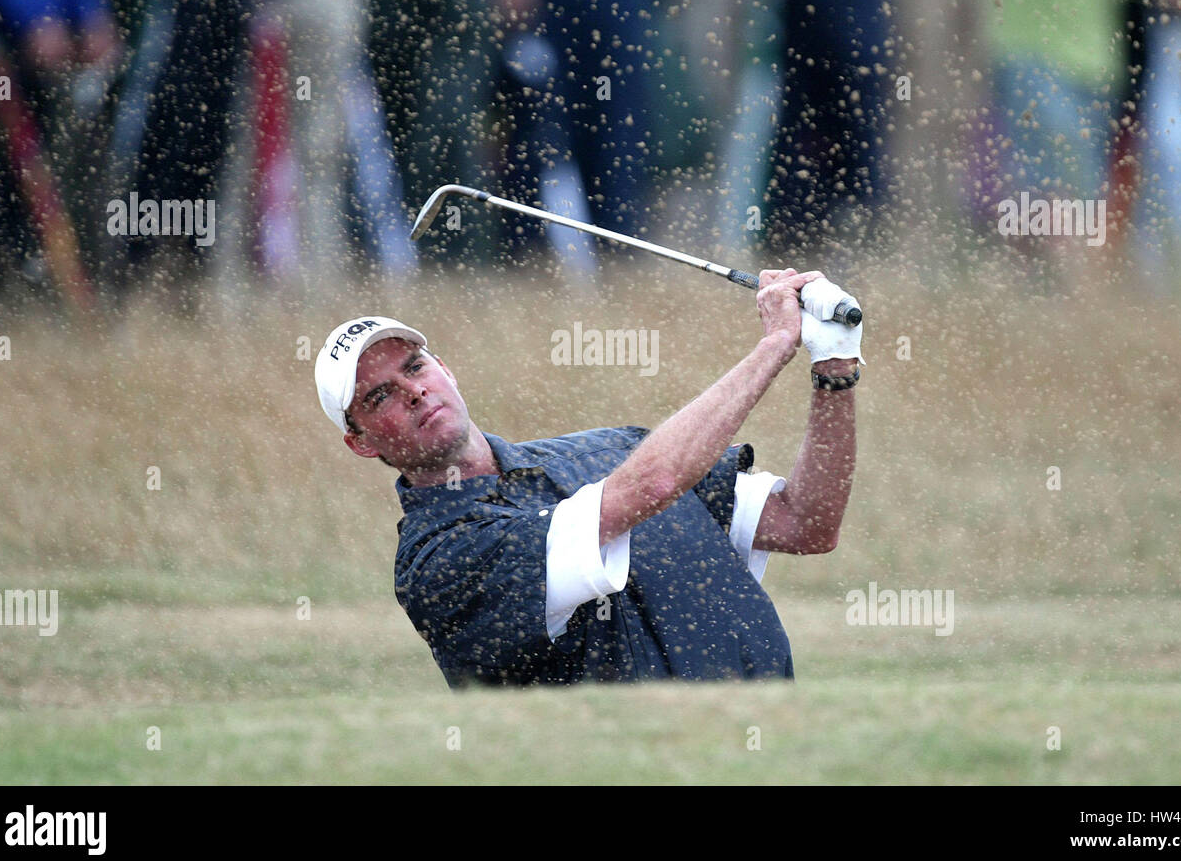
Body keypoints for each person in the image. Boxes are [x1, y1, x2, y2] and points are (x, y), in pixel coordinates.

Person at [314, 269, 864, 687]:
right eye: (379, 395)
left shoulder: (613, 450)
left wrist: (834, 368)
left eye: (414, 366)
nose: (413, 391)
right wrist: (774, 345)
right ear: (360, 441)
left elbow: (806, 525)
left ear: (446, 371)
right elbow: (647, 488)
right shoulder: (440, 560)